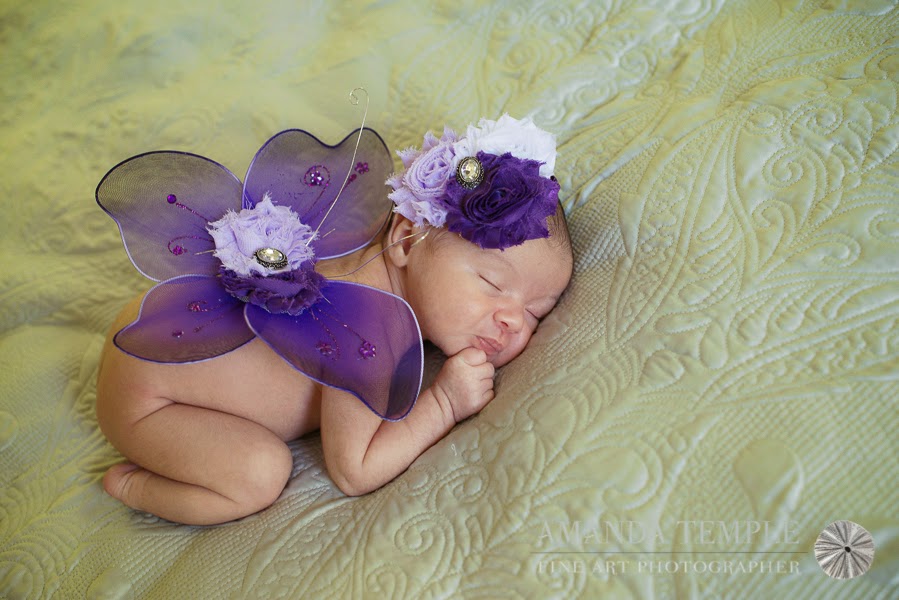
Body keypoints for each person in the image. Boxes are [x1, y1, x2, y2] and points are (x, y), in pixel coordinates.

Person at [95, 114, 574, 525]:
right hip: (152, 400)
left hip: (151, 326)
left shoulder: (362, 254)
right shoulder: (367, 327)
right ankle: (134, 487)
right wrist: (445, 404)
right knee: (259, 474)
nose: (514, 320)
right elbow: (355, 470)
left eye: (537, 311)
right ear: (406, 240)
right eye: (492, 284)